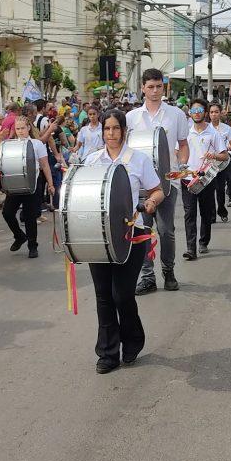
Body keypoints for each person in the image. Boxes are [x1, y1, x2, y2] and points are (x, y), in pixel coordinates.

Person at [84, 109, 164, 374]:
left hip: (131, 236)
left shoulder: (138, 159)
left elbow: (157, 190)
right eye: (106, 129)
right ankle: (107, 353)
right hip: (98, 237)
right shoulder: (92, 160)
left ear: (124, 130)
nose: (111, 134)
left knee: (122, 295)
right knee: (103, 297)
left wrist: (151, 202)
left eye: (116, 128)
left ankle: (133, 339)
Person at [127, 68, 189, 295]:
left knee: (166, 230)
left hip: (166, 182)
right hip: (139, 186)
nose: (155, 91)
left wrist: (181, 164)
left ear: (164, 88)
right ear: (142, 88)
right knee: (142, 230)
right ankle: (148, 277)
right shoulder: (131, 118)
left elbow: (183, 145)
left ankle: (169, 272)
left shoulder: (176, 115)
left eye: (159, 87)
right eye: (150, 87)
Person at [1, 115, 55, 258]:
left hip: (32, 184)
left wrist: (50, 184)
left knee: (30, 217)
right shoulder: (10, 145)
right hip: (15, 185)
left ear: (28, 128)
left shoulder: (37, 144)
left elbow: (44, 164)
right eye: (17, 129)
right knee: (7, 213)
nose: (20, 131)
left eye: (22, 128)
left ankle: (32, 245)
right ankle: (19, 236)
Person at [181, 99, 228, 259]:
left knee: (206, 213)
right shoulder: (185, 132)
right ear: (190, 113)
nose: (196, 113)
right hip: (188, 178)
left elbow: (224, 155)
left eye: (200, 110)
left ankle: (203, 242)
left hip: (206, 179)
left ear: (205, 113)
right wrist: (180, 165)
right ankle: (190, 249)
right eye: (193, 111)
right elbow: (178, 152)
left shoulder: (213, 133)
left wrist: (213, 155)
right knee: (189, 214)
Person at [208, 103, 231, 221]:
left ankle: (222, 210)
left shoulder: (227, 129)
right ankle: (212, 215)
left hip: (222, 164)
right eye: (211, 112)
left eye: (216, 112)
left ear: (220, 113)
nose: (214, 114)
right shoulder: (205, 128)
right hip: (209, 164)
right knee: (209, 190)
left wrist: (225, 148)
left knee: (220, 189)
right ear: (208, 114)